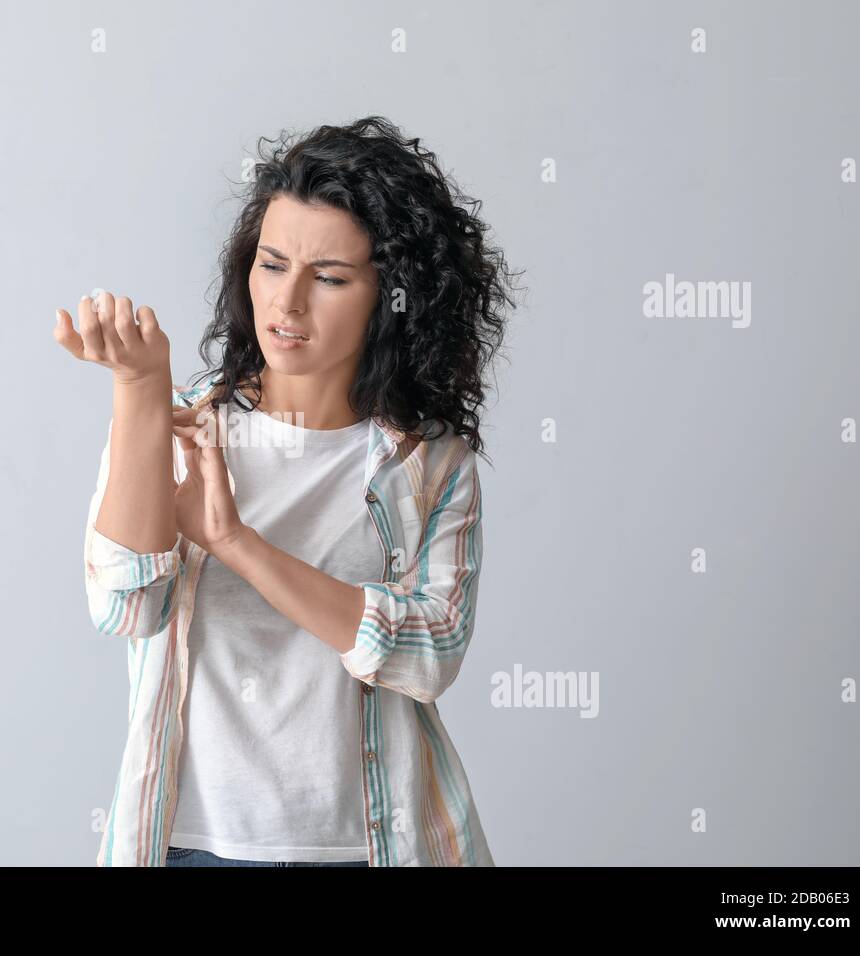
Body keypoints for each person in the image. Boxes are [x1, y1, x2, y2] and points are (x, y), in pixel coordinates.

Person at [54, 116, 520, 867]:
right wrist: (140, 388)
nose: (289, 302)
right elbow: (127, 607)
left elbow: (430, 653)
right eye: (272, 265)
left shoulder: (428, 461)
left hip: (376, 846)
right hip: (190, 847)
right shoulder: (178, 430)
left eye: (330, 278)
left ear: (393, 295)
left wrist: (238, 544)